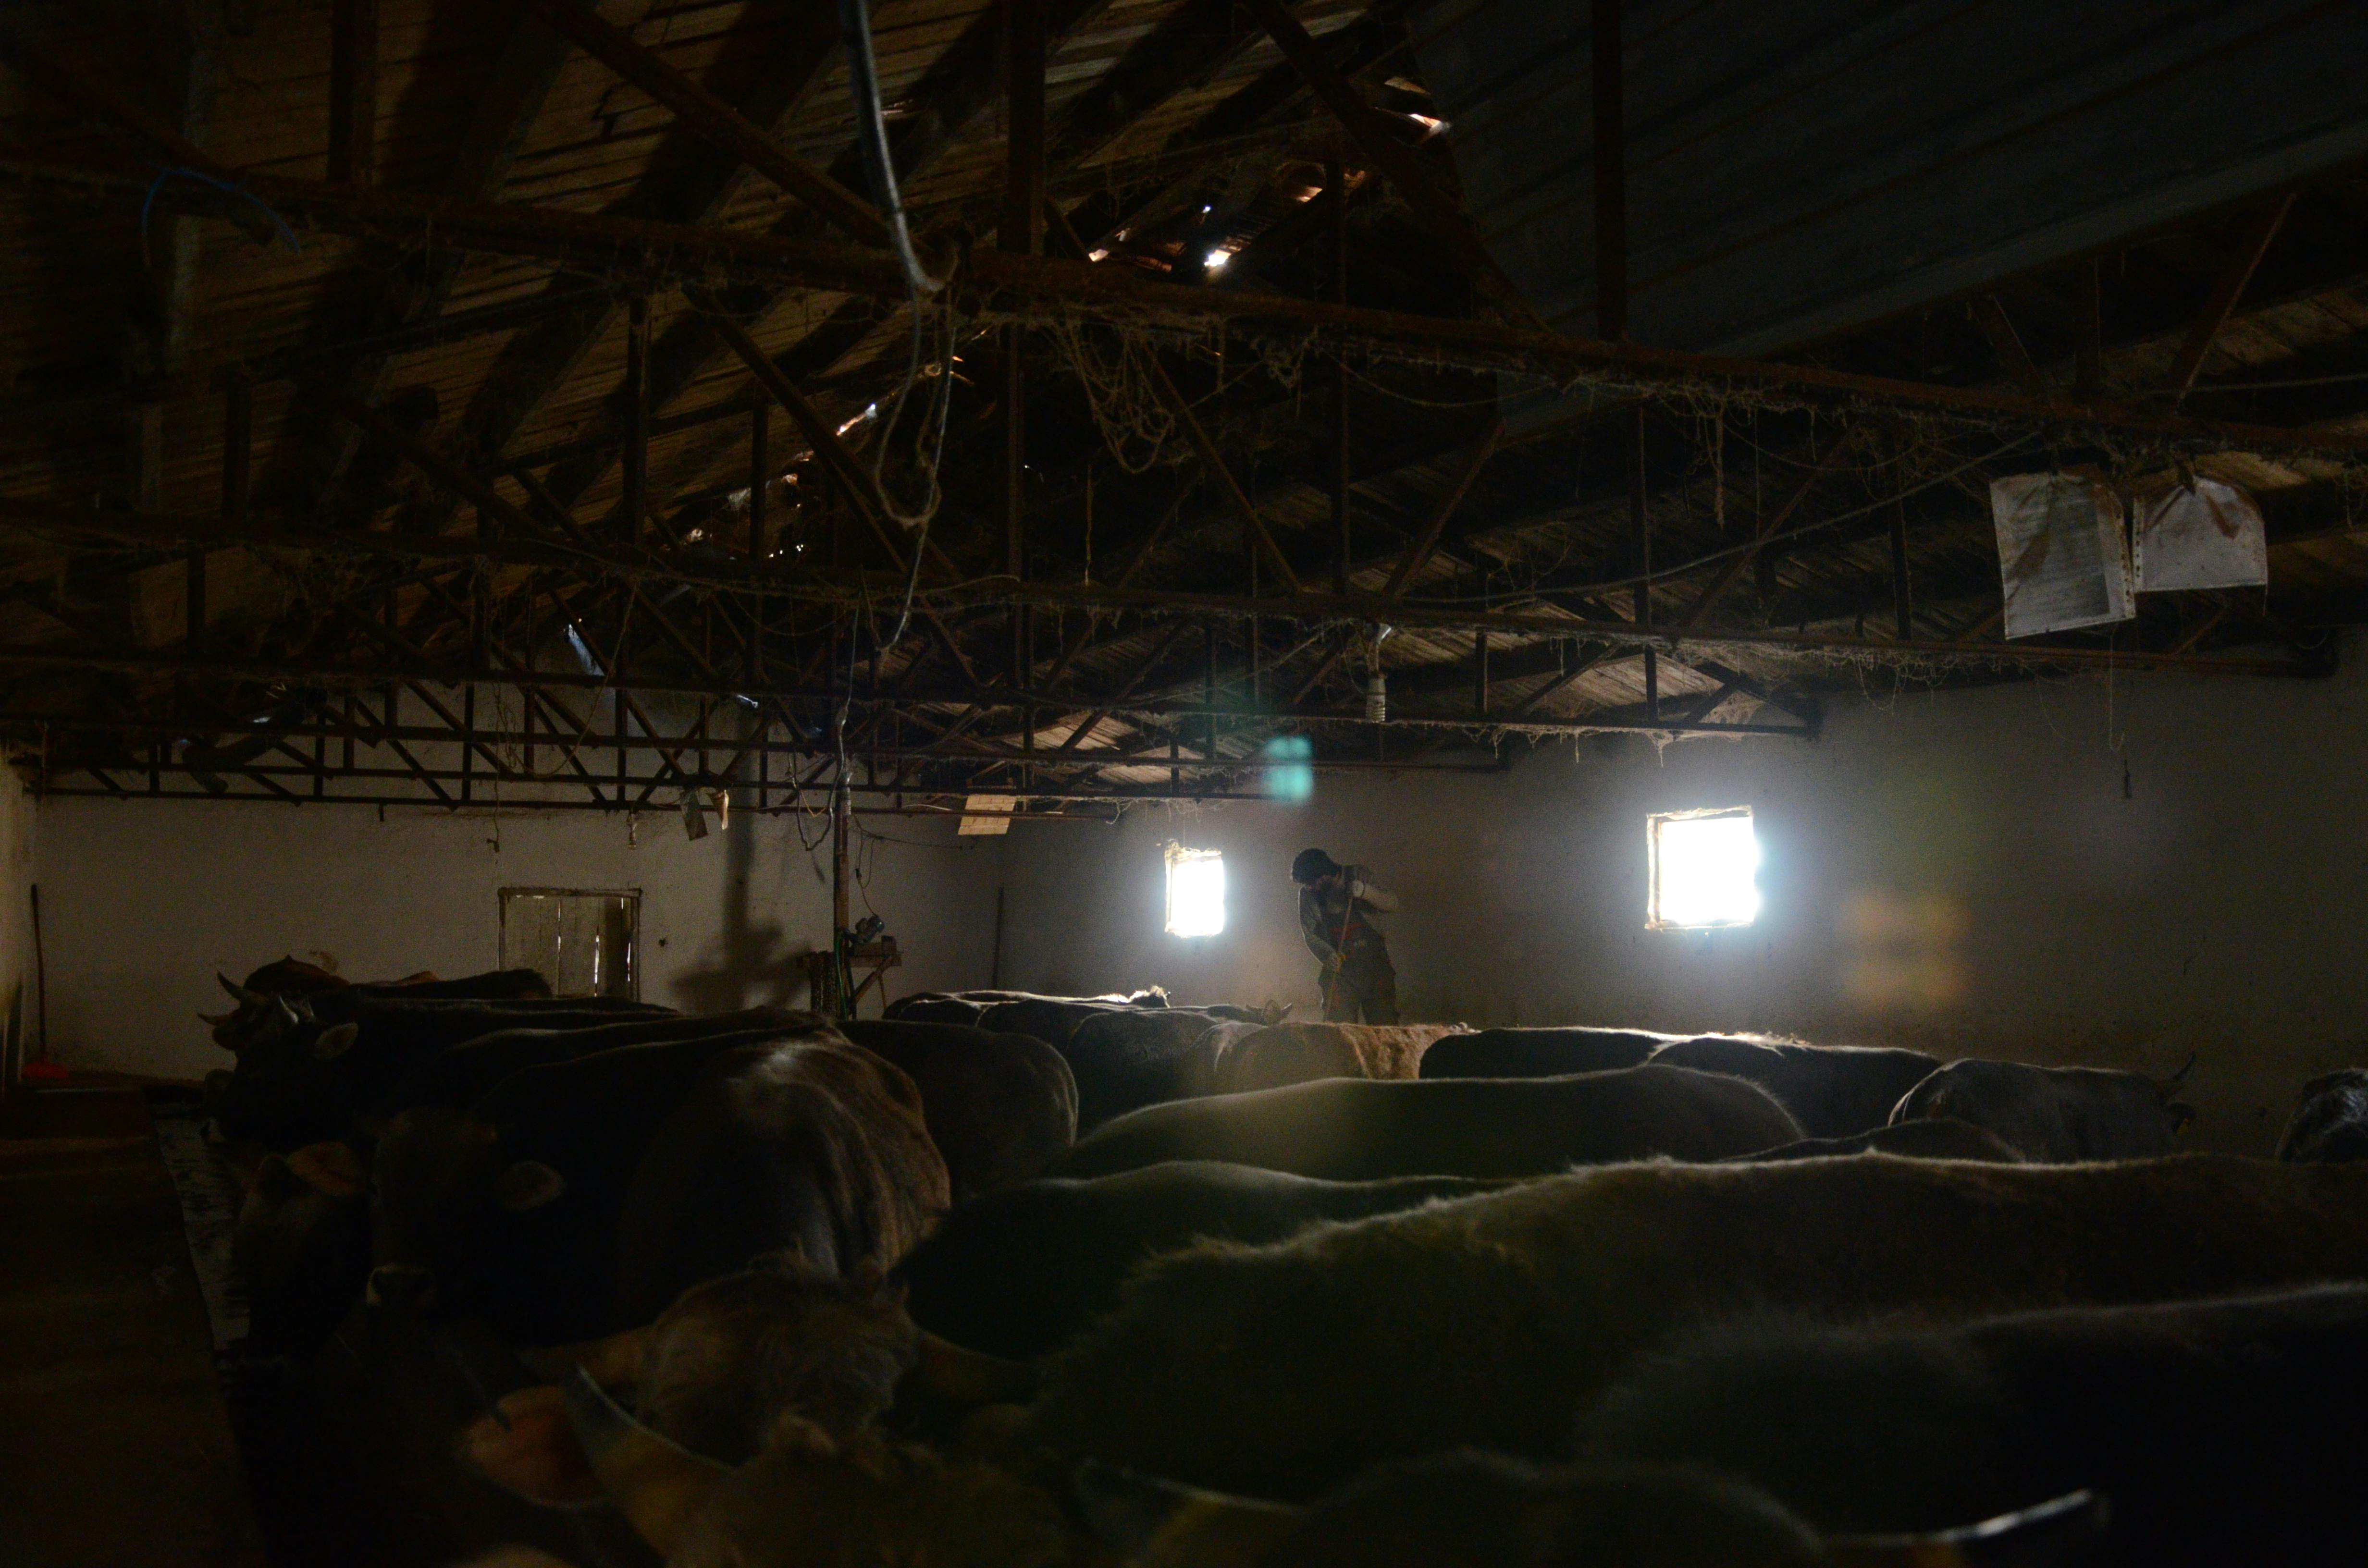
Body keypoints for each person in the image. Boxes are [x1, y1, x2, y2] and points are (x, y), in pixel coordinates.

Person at [1291, 848, 1400, 1024]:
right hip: (1340, 973)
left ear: (1325, 874)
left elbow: (1392, 904)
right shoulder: (1308, 895)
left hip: (1375, 968)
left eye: (1311, 882)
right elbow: (1310, 935)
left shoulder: (1358, 875)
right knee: (1338, 1033)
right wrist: (1327, 955)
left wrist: (1366, 892)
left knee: (1384, 1028)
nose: (1308, 888)